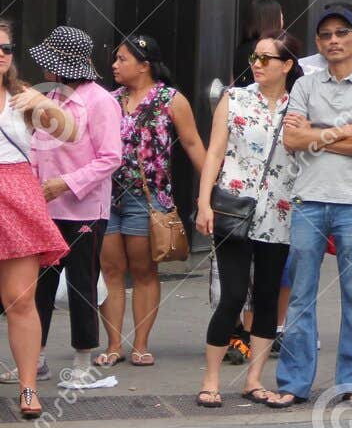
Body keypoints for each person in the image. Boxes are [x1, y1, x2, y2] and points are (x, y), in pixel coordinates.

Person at [266, 3, 352, 409]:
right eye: (325, 35)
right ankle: (293, 383)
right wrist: (348, 129)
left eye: (342, 32)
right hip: (308, 200)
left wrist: (318, 133)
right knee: (300, 295)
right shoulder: (305, 83)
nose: (333, 40)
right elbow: (292, 140)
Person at [194, 33, 301, 408]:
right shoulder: (234, 98)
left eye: (267, 59)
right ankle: (211, 379)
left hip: (280, 213)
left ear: (287, 65)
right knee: (234, 294)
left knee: (268, 296)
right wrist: (203, 202)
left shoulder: (300, 106)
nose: (257, 63)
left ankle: (254, 379)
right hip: (234, 209)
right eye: (255, 57)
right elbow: (214, 153)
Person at [99, 34, 207, 369]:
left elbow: (192, 145)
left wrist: (211, 194)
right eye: (115, 59)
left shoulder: (170, 99)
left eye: (122, 59)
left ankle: (141, 344)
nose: (115, 65)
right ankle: (114, 344)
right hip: (106, 196)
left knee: (145, 270)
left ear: (144, 65)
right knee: (111, 270)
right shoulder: (110, 100)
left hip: (148, 200)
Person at [24, 26, 121, 390]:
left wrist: (64, 183)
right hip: (46, 207)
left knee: (82, 285)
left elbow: (111, 157)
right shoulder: (53, 98)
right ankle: (37, 357)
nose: (45, 69)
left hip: (83, 209)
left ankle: (83, 362)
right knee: (40, 287)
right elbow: (37, 147)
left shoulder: (100, 101)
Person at [0, 20, 76, 418]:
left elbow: (72, 133)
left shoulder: (22, 96)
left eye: (7, 48)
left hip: (16, 192)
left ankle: (28, 388)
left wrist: (42, 106)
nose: (1, 54)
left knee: (21, 299)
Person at [233, 0, 284, 87]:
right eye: (281, 17)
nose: (282, 21)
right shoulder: (273, 48)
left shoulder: (241, 49)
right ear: (273, 20)